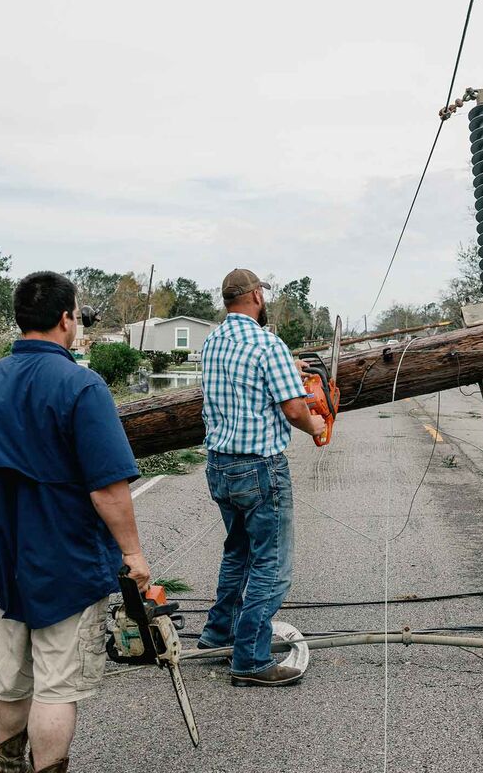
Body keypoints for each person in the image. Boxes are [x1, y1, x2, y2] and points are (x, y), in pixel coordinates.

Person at [0, 271, 149, 773]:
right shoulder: (82, 385)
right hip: (69, 562)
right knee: (56, 686)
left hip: (8, 561)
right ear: (66, 319)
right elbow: (107, 488)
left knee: (9, 677)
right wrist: (132, 553)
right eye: (77, 315)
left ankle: (6, 765)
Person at [196, 268, 326, 686]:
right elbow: (294, 409)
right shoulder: (268, 344)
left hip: (220, 464)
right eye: (262, 294)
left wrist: (289, 366)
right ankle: (251, 659)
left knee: (238, 552)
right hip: (258, 468)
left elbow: (246, 375)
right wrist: (315, 425)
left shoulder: (213, 342)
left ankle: (219, 634)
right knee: (272, 564)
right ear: (255, 296)